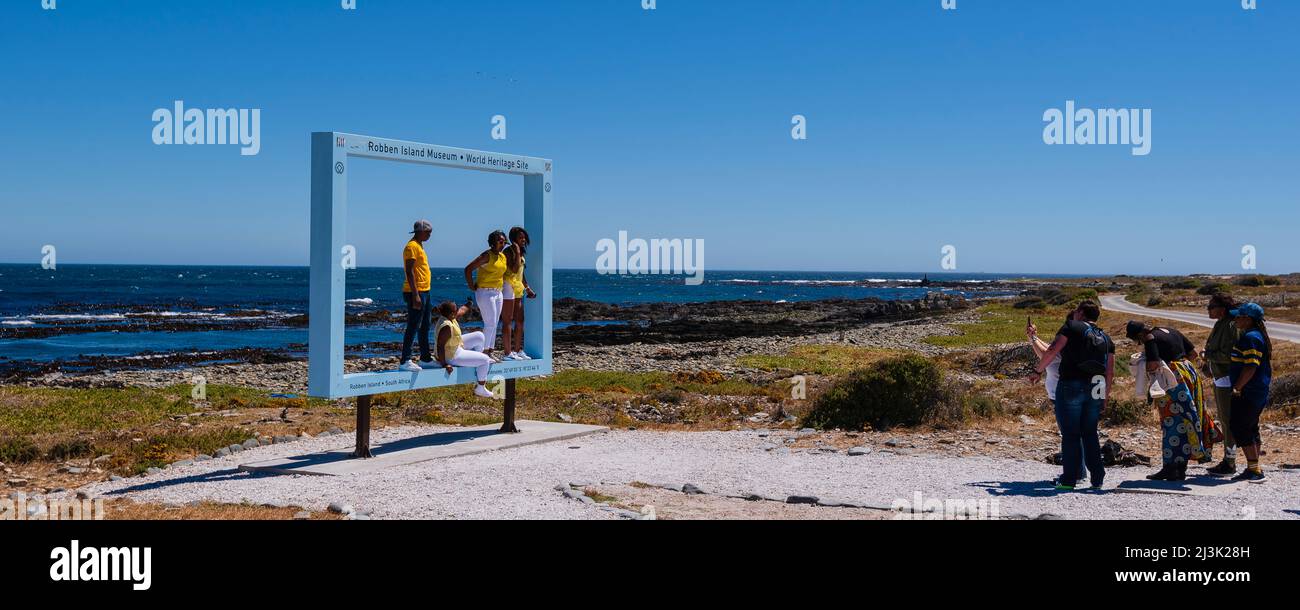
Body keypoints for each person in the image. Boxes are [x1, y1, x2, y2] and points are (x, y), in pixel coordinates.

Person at [1028, 300, 1114, 491]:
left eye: (1076, 311)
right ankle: (1097, 478)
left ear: (1081, 313)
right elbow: (1110, 372)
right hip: (1097, 385)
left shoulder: (1071, 327)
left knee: (1071, 434)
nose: (1074, 314)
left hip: (1072, 383)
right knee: (1090, 433)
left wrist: (1038, 371)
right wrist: (1104, 397)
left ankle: (1069, 480)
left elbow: (1052, 350)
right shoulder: (1107, 338)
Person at [1125, 321, 1212, 479]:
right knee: (1186, 421)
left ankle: (1171, 467)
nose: (1139, 343)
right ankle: (1180, 468)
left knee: (1171, 422)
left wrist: (1143, 363)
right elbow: (1192, 354)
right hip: (1188, 374)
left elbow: (1153, 366)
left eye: (1138, 341)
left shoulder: (1150, 339)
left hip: (1172, 380)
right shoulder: (1171, 330)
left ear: (1140, 335)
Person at [1027, 315, 1088, 485]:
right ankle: (1080, 472)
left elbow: (1047, 354)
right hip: (1074, 393)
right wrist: (1033, 337)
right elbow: (1047, 351)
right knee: (1076, 435)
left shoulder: (1065, 347)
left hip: (1062, 396)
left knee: (1071, 437)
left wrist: (1033, 338)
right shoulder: (1074, 346)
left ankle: (1077, 474)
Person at [1228, 302, 1272, 482]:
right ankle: (1253, 467)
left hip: (1249, 390)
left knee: (1241, 426)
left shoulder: (1250, 338)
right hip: (1255, 390)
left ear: (1248, 319)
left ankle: (1254, 469)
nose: (1235, 319)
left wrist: (1237, 387)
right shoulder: (1255, 335)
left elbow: (1250, 367)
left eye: (1238, 316)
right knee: (1250, 426)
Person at [1202, 293, 1241, 475]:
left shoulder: (1231, 326)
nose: (1208, 309)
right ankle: (1228, 459)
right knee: (1225, 420)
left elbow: (1229, 355)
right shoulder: (1221, 324)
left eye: (1211, 306)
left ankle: (1230, 461)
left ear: (1222, 309)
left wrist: (1208, 356)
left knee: (1228, 421)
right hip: (1220, 377)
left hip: (1227, 378)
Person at [435, 301, 498, 399]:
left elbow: (462, 311)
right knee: (485, 360)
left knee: (479, 336)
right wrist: (445, 364)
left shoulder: (449, 317)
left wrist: (468, 304)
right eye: (455, 310)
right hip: (451, 355)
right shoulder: (446, 327)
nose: (457, 311)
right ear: (452, 314)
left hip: (455, 346)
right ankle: (480, 388)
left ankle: (478, 363)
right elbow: (440, 346)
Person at [463, 230, 508, 360]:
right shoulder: (486, 256)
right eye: (500, 241)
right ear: (493, 243)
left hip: (498, 292)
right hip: (485, 292)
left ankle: (490, 350)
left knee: (494, 323)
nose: (503, 244)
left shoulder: (502, 256)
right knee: (490, 323)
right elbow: (468, 269)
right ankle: (484, 352)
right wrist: (472, 286)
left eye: (504, 241)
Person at [399, 220, 433, 373]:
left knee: (425, 325)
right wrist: (415, 294)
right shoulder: (411, 247)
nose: (430, 234)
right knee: (413, 325)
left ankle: (425, 358)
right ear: (420, 231)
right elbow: (409, 271)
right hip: (416, 291)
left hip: (425, 290)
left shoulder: (419, 246)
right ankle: (405, 360)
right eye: (428, 232)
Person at [500, 226, 536, 360]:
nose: (524, 239)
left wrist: (527, 288)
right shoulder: (509, 251)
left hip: (518, 287)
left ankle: (517, 350)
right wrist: (516, 251)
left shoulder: (521, 252)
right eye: (520, 237)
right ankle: (508, 353)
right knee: (507, 320)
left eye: (524, 237)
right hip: (508, 286)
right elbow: (514, 270)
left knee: (520, 320)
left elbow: (521, 272)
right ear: (514, 239)